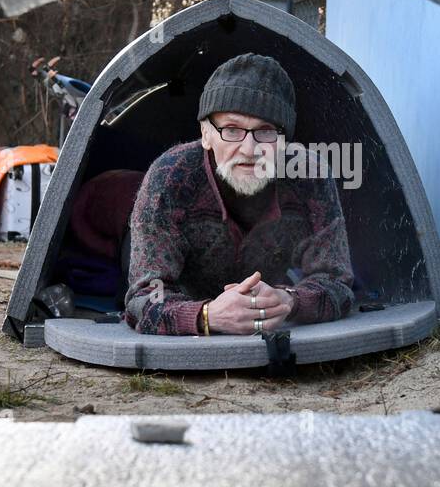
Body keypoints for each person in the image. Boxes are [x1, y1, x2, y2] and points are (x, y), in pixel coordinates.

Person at [124, 53, 354, 335]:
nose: (249, 149)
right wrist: (207, 316)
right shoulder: (169, 177)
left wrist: (288, 301)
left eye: (266, 131)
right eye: (231, 129)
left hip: (273, 291)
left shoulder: (311, 177)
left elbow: (338, 282)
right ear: (206, 135)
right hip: (161, 268)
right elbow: (143, 296)